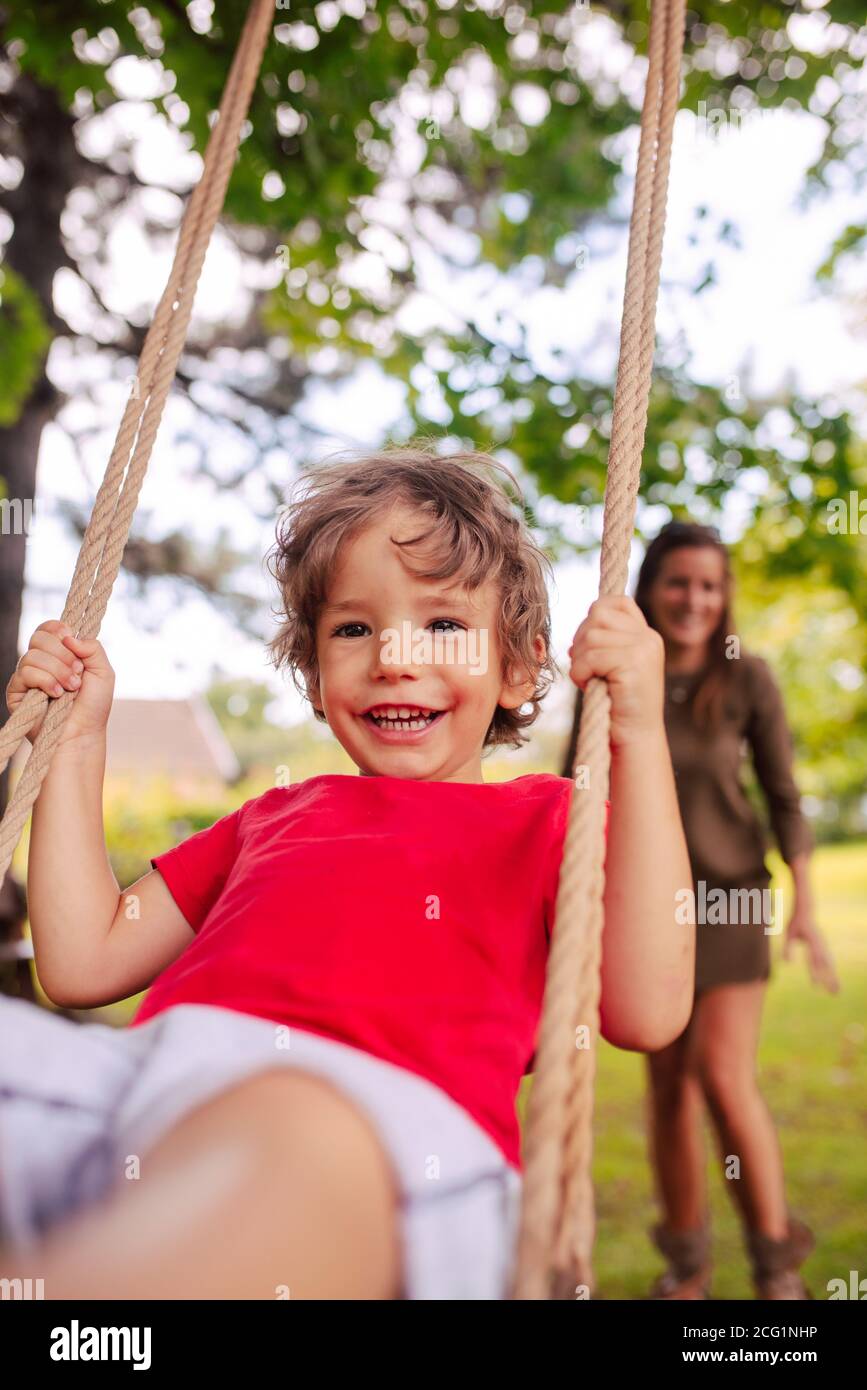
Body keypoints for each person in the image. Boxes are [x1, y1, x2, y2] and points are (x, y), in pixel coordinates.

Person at [0, 444, 693, 1300]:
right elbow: (82, 962)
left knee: (290, 1134)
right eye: (354, 629)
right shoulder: (274, 818)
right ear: (316, 671)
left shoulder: (549, 822)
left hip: (386, 1141)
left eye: (442, 625)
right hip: (141, 1102)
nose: (393, 658)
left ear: (518, 667)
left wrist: (639, 734)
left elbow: (647, 1008)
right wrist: (74, 740)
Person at [633, 520, 839, 1301]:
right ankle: (686, 1268)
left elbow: (785, 798)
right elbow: (573, 791)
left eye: (710, 585)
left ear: (725, 598)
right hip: (646, 905)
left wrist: (805, 908)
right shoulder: (620, 678)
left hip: (728, 899)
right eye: (678, 582)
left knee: (720, 1075)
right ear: (650, 588)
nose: (694, 599)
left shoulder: (744, 677)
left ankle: (772, 1263)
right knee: (666, 1090)